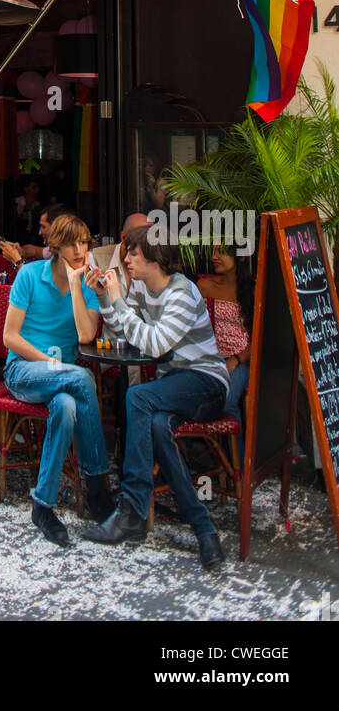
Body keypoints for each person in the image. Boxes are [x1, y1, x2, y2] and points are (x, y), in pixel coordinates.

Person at [82, 224, 230, 571]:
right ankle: (204, 529)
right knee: (158, 426)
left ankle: (131, 509)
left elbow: (154, 345)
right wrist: (106, 297)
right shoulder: (142, 289)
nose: (127, 259)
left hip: (206, 383)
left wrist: (118, 300)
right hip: (171, 385)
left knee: (137, 396)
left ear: (156, 257)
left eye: (133, 253)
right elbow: (122, 332)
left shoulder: (183, 293)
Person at [2, 212, 113, 548]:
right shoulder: (30, 275)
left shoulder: (89, 284)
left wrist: (79, 286)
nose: (80, 249)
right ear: (56, 245)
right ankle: (97, 488)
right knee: (81, 379)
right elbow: (10, 337)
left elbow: (84, 334)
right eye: (71, 243)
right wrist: (51, 363)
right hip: (24, 369)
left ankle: (43, 505)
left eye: (84, 242)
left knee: (66, 406)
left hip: (63, 380)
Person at [197, 246, 253, 425]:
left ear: (240, 257)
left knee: (227, 403)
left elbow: (259, 337)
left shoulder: (253, 289)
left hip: (241, 360)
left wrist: (236, 359)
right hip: (210, 359)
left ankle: (238, 453)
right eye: (214, 252)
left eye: (222, 252)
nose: (214, 257)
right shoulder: (205, 286)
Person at [0, 202, 71, 269]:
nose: (40, 232)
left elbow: (32, 282)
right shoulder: (55, 250)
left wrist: (16, 260)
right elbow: (34, 251)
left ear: (58, 228)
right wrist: (21, 251)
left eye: (43, 227)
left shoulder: (69, 257)